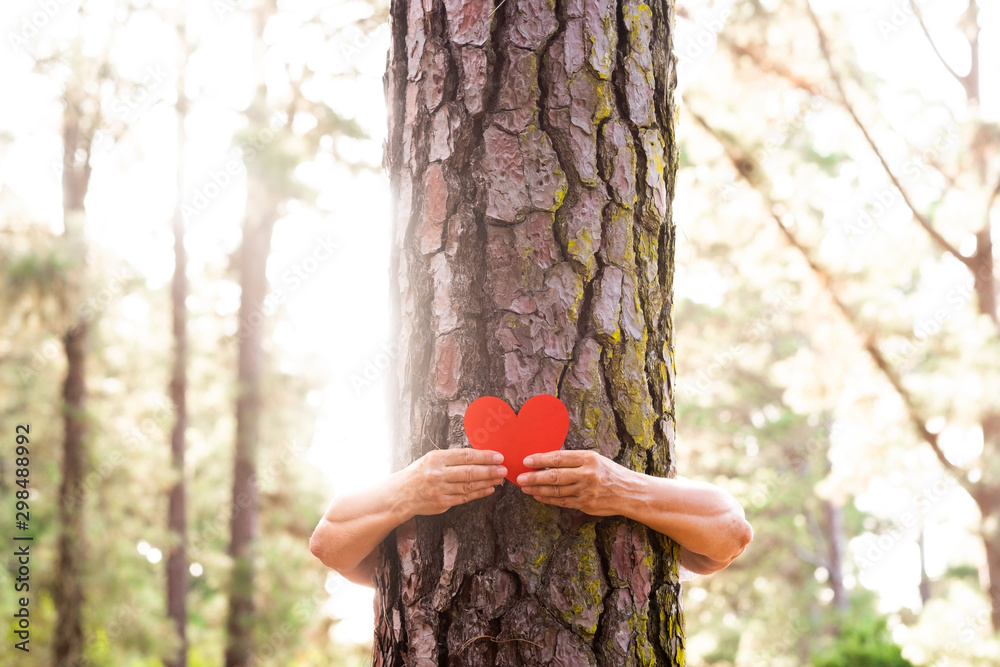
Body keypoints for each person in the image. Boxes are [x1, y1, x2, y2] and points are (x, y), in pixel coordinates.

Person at [309, 447, 753, 587]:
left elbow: (731, 531)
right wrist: (407, 491)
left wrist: (622, 488)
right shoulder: (400, 510)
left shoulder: (661, 494)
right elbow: (329, 542)